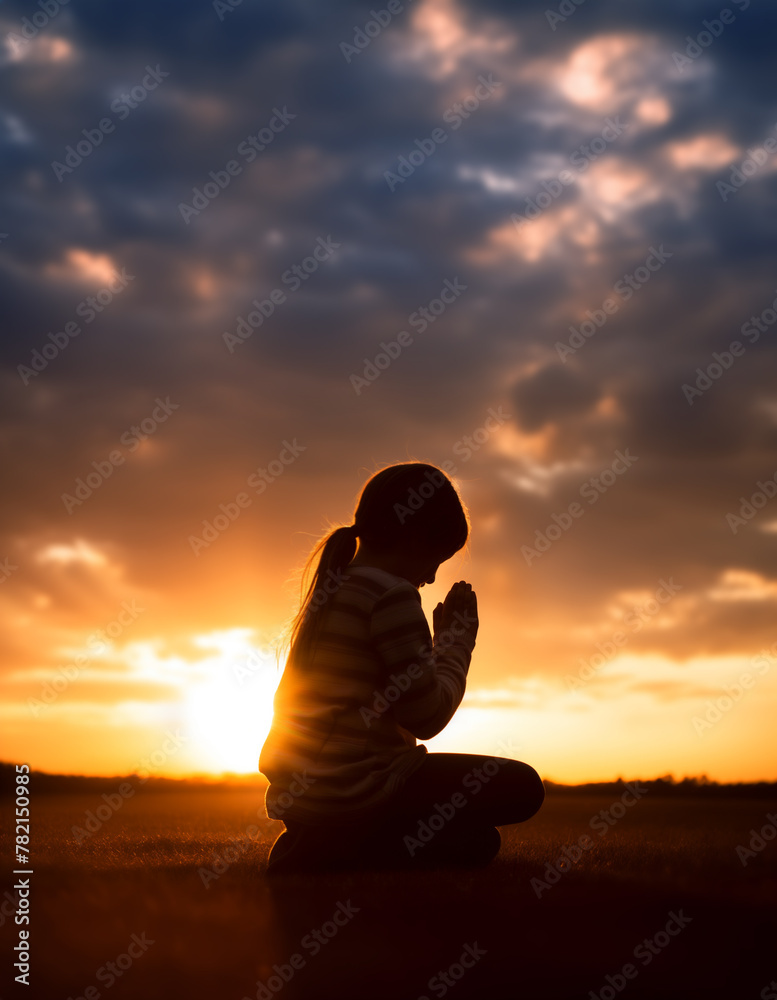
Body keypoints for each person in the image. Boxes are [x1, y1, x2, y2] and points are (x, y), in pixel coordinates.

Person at [258, 461, 544, 875]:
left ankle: (322, 842)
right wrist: (456, 645)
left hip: (304, 800)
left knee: (478, 841)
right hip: (362, 789)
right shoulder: (393, 595)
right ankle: (349, 845)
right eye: (436, 559)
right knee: (523, 787)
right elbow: (426, 716)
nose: (430, 578)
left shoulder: (332, 588)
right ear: (414, 538)